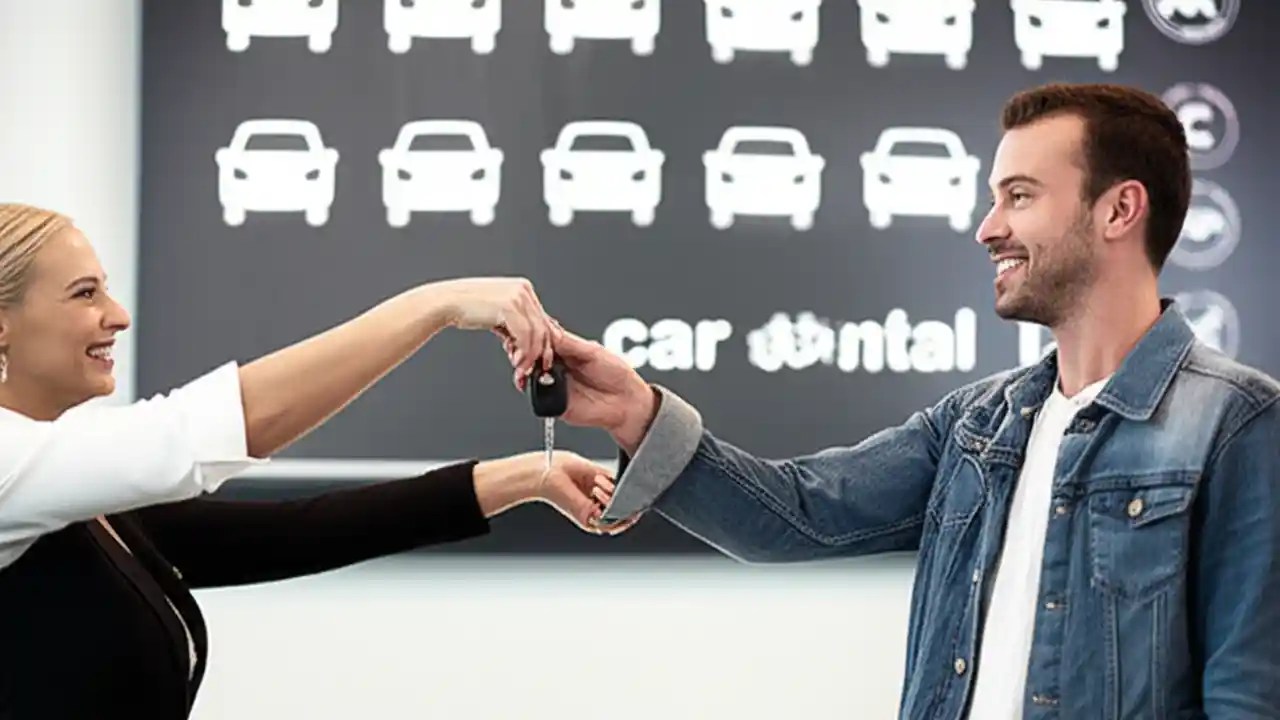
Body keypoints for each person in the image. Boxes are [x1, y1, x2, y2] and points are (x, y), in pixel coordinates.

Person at [524, 83, 1280, 718]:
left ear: (1119, 211)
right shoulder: (977, 425)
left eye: (1019, 197)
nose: (988, 228)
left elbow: (1247, 695)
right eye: (994, 199)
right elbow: (797, 514)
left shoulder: (1237, 424)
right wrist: (634, 413)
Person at [0, 202, 619, 719]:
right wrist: (435, 306)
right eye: (85, 294)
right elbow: (207, 430)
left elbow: (288, 534)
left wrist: (527, 477)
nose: (118, 315)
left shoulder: (65, 486)